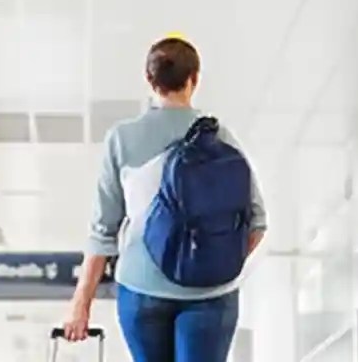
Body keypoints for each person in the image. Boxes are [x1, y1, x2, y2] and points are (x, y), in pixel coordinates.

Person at [63, 36, 266, 362]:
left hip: (141, 288)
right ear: (194, 78)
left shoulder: (122, 138)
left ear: (149, 79)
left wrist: (80, 304)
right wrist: (216, 259)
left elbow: (103, 231)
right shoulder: (220, 138)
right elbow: (257, 222)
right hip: (211, 294)